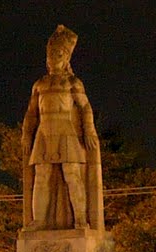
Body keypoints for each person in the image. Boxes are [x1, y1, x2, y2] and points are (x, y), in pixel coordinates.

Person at [21, 26, 103, 231]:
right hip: (44, 132)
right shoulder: (39, 85)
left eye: (58, 54)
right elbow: (31, 114)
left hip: (66, 131)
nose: (53, 58)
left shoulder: (73, 82)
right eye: (50, 55)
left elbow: (85, 108)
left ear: (66, 58)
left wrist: (90, 130)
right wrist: (25, 135)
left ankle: (81, 221)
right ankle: (38, 220)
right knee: (41, 178)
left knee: (72, 176)